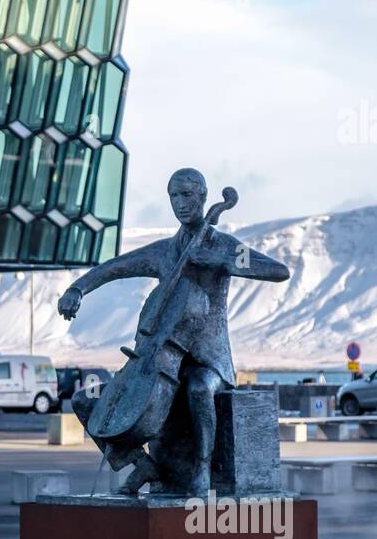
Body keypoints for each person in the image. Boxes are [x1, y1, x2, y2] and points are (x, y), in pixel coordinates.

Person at [57, 168, 290, 494]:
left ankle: (202, 469)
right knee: (86, 401)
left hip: (209, 360)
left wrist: (219, 261)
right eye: (174, 196)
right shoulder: (164, 251)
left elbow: (278, 270)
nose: (180, 203)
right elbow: (115, 267)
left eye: (187, 195)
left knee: (197, 388)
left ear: (203, 196)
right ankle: (141, 464)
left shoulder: (223, 245)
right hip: (159, 361)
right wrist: (78, 288)